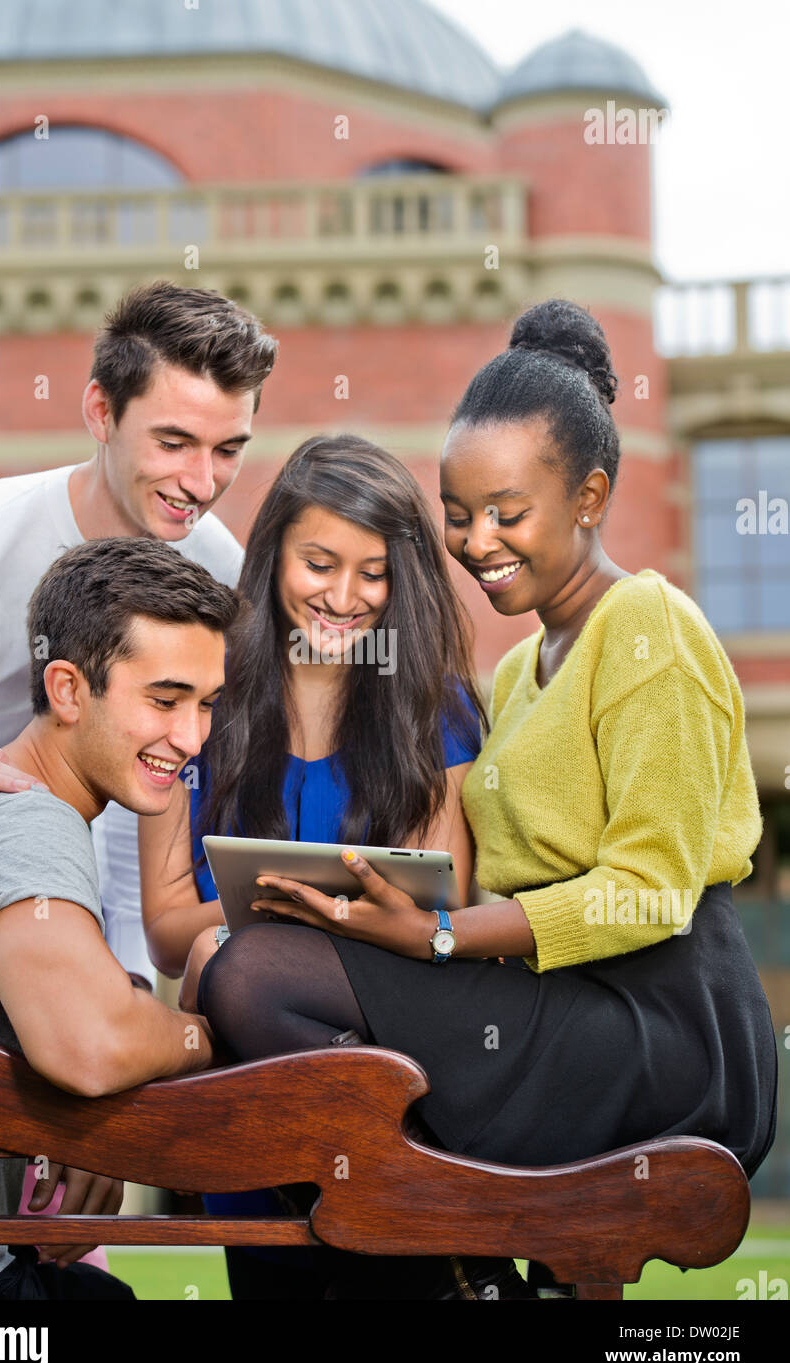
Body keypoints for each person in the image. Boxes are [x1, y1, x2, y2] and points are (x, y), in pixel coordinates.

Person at [194, 300, 779, 1300]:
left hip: (664, 1027)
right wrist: (395, 916)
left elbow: (647, 891)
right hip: (553, 1002)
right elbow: (478, 882)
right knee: (251, 974)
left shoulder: (647, 626)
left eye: (508, 511)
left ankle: (444, 1242)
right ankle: (441, 1252)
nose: (475, 540)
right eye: (457, 513)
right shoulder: (514, 677)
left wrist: (436, 941)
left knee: (253, 975)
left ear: (589, 496)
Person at [139, 433, 487, 1297]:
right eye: (318, 563)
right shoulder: (204, 697)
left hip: (391, 1061)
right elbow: (164, 929)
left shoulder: (430, 710)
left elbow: (448, 905)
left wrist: (285, 922)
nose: (343, 596)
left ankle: (426, 1241)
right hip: (247, 1099)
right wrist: (284, 914)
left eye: (372, 572)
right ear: (274, 559)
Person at [0, 279, 277, 985]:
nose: (199, 481)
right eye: (173, 442)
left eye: (227, 450)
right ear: (101, 412)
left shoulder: (220, 568)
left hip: (96, 867)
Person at [0, 536, 237, 1300]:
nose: (190, 739)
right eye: (163, 699)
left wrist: (89, 1115)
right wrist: (205, 1032)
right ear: (68, 690)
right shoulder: (25, 823)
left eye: (206, 705)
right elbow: (91, 1044)